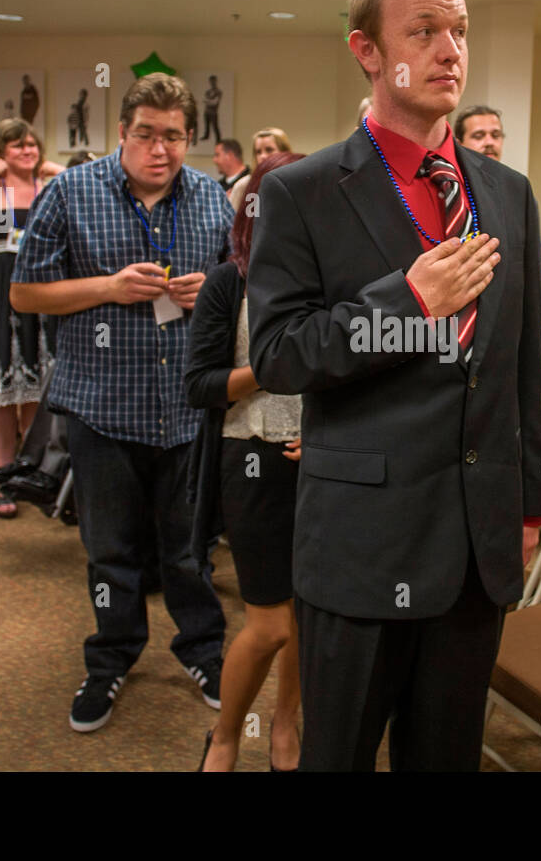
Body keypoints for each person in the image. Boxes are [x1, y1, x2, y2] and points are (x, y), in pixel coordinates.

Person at [247, 0, 541, 772]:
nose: (451, 50)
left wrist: (527, 507)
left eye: (461, 31)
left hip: (477, 545)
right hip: (363, 544)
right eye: (424, 31)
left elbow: (520, 363)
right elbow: (277, 355)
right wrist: (406, 304)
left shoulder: (508, 192)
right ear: (368, 51)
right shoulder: (302, 191)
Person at [10, 73, 230, 733]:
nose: (160, 149)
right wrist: (108, 287)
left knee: (188, 551)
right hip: (102, 407)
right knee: (111, 553)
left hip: (186, 409)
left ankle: (204, 651)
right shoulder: (70, 192)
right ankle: (110, 659)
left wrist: (212, 293)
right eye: (146, 134)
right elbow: (24, 293)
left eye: (174, 137)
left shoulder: (212, 198)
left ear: (190, 138)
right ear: (122, 132)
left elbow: (241, 287)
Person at [186, 151, 306, 772]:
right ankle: (226, 735)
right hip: (252, 461)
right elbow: (199, 384)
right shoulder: (227, 282)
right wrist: (270, 367)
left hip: (322, 467)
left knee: (308, 620)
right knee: (271, 626)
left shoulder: (335, 281)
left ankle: (285, 727)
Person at [0, 119, 65, 517]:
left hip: (39, 285)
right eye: (17, 145)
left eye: (31, 144)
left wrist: (54, 169)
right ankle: (5, 472)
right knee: (2, 383)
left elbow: (90, 194)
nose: (26, 151)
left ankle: (33, 469)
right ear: (1, 150)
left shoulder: (48, 185)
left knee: (37, 384)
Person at [226, 127, 292, 213]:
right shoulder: (245, 185)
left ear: (284, 152)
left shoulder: (293, 182)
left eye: (269, 150)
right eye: (258, 152)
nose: (263, 156)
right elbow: (233, 219)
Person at [201, 75, 223, 144]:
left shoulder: (218, 91)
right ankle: (206, 136)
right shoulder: (208, 91)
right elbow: (204, 100)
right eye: (211, 81)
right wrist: (210, 101)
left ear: (216, 81)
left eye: (213, 81)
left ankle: (218, 140)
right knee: (206, 125)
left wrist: (208, 101)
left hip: (213, 112)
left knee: (215, 126)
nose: (212, 83)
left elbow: (215, 102)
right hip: (206, 111)